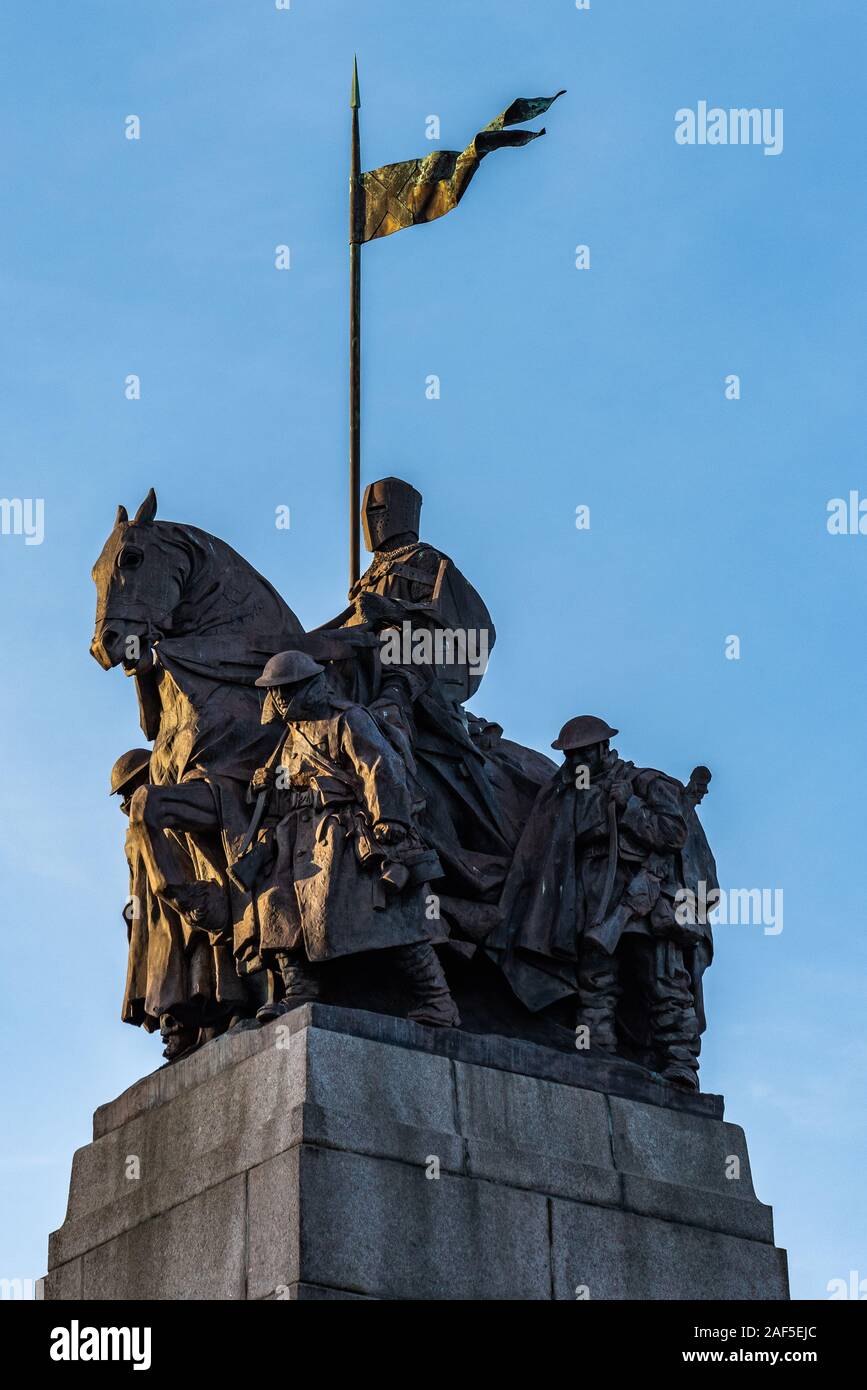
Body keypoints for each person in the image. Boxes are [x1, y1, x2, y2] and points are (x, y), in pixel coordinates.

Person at [233, 651, 461, 1028]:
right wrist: (268, 784)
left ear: (308, 687)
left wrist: (389, 818)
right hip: (299, 838)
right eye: (276, 693)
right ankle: (299, 992)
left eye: (287, 691)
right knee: (278, 907)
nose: (281, 701)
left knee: (394, 916)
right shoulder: (289, 740)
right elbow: (288, 789)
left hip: (344, 833)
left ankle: (437, 1000)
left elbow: (378, 766)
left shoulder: (347, 718)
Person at [489, 716, 708, 1090]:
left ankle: (680, 1062)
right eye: (571, 756)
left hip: (643, 900)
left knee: (664, 980)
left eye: (583, 753)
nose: (576, 762)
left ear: (603, 749)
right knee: (595, 980)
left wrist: (629, 809)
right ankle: (600, 1054)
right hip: (592, 897)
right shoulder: (570, 791)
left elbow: (674, 834)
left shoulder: (645, 783)